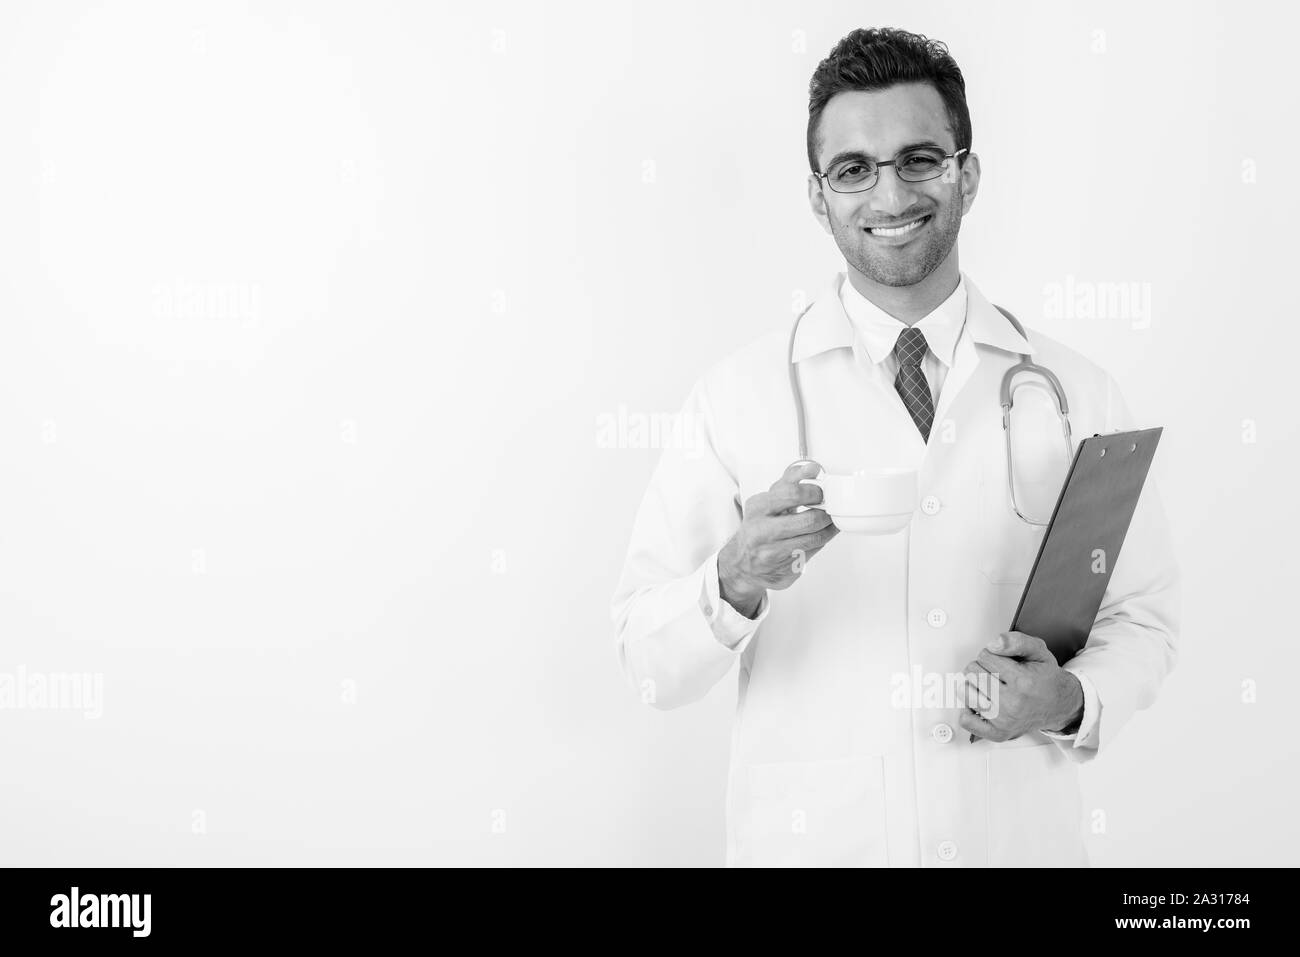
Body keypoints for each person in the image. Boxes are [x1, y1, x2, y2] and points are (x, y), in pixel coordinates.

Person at [610, 27, 1179, 867]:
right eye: (853, 169)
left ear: (967, 174)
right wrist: (732, 578)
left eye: (920, 158)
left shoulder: (1077, 393)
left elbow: (1144, 615)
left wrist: (1072, 697)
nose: (889, 194)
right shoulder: (735, 398)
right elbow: (646, 661)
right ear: (818, 195)